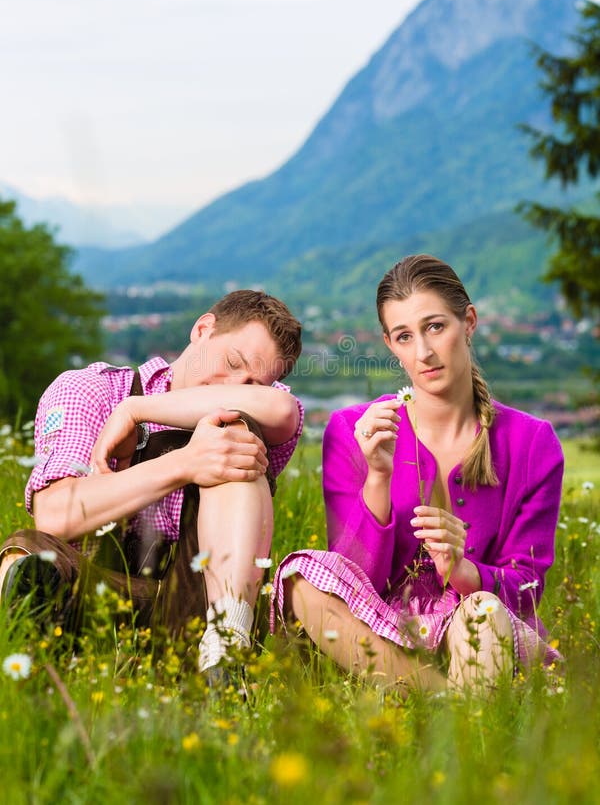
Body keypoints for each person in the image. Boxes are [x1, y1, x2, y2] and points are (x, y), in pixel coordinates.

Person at [271, 255, 564, 692]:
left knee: (482, 612)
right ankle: (445, 700)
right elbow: (354, 579)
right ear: (390, 344)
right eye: (405, 336)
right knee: (300, 578)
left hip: (487, 627)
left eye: (435, 327)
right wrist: (377, 476)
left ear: (468, 322)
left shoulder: (532, 442)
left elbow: (527, 589)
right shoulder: (354, 430)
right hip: (385, 633)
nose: (423, 353)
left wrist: (465, 572)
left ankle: (443, 711)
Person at [1, 289, 303, 678]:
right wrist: (185, 464)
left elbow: (283, 408)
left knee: (234, 438)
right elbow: (55, 513)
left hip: (197, 611)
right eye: (231, 362)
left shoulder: (261, 411)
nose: (231, 386)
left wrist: (136, 410)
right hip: (96, 591)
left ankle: (226, 651)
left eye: (250, 384)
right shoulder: (92, 389)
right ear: (203, 329)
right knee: (29, 552)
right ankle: (43, 665)